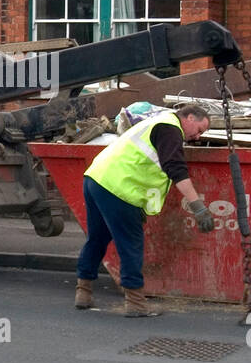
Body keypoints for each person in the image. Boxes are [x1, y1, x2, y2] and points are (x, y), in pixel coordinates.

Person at [75, 103, 216, 317]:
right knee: (130, 244)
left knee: (97, 238)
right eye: (199, 130)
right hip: (119, 187)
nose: (197, 137)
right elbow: (176, 170)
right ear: (189, 118)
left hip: (96, 177)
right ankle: (135, 303)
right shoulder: (170, 129)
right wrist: (198, 207)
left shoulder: (158, 121)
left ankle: (83, 293)